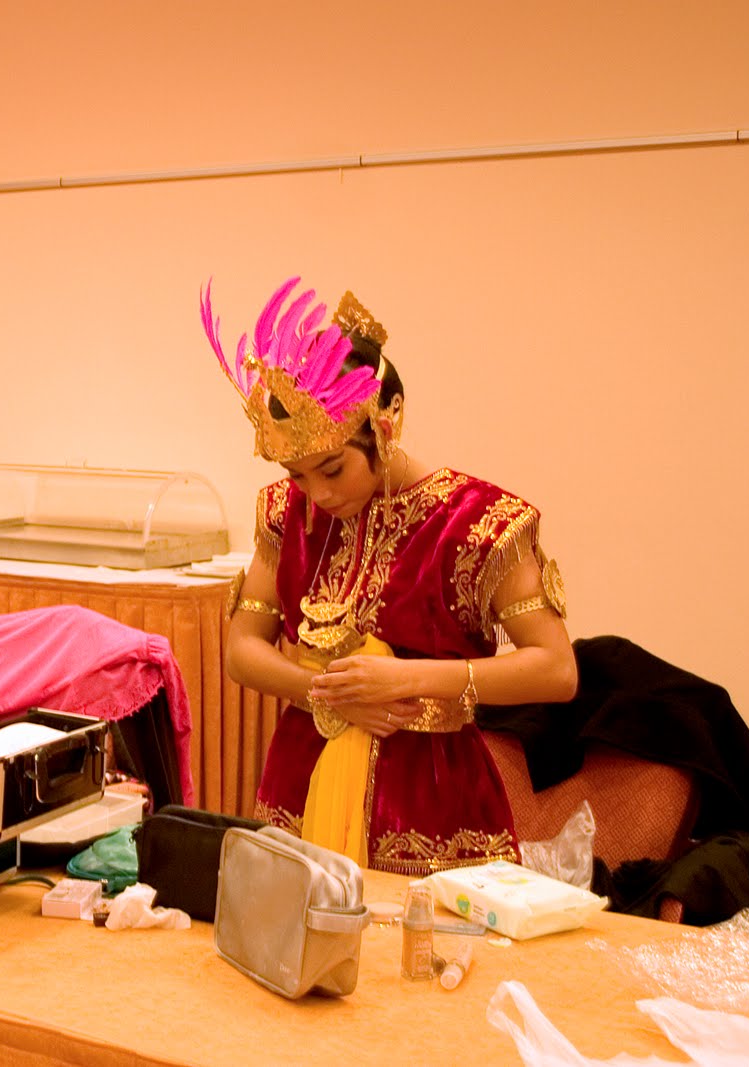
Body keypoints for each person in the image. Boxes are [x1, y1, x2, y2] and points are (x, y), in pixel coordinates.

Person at [202, 276, 577, 876]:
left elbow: (557, 670)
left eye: (332, 468)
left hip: (433, 798)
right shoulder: (283, 516)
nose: (317, 495)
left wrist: (402, 681)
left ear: (388, 423)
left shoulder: (480, 524)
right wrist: (331, 695)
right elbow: (242, 650)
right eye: (298, 476)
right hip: (303, 774)